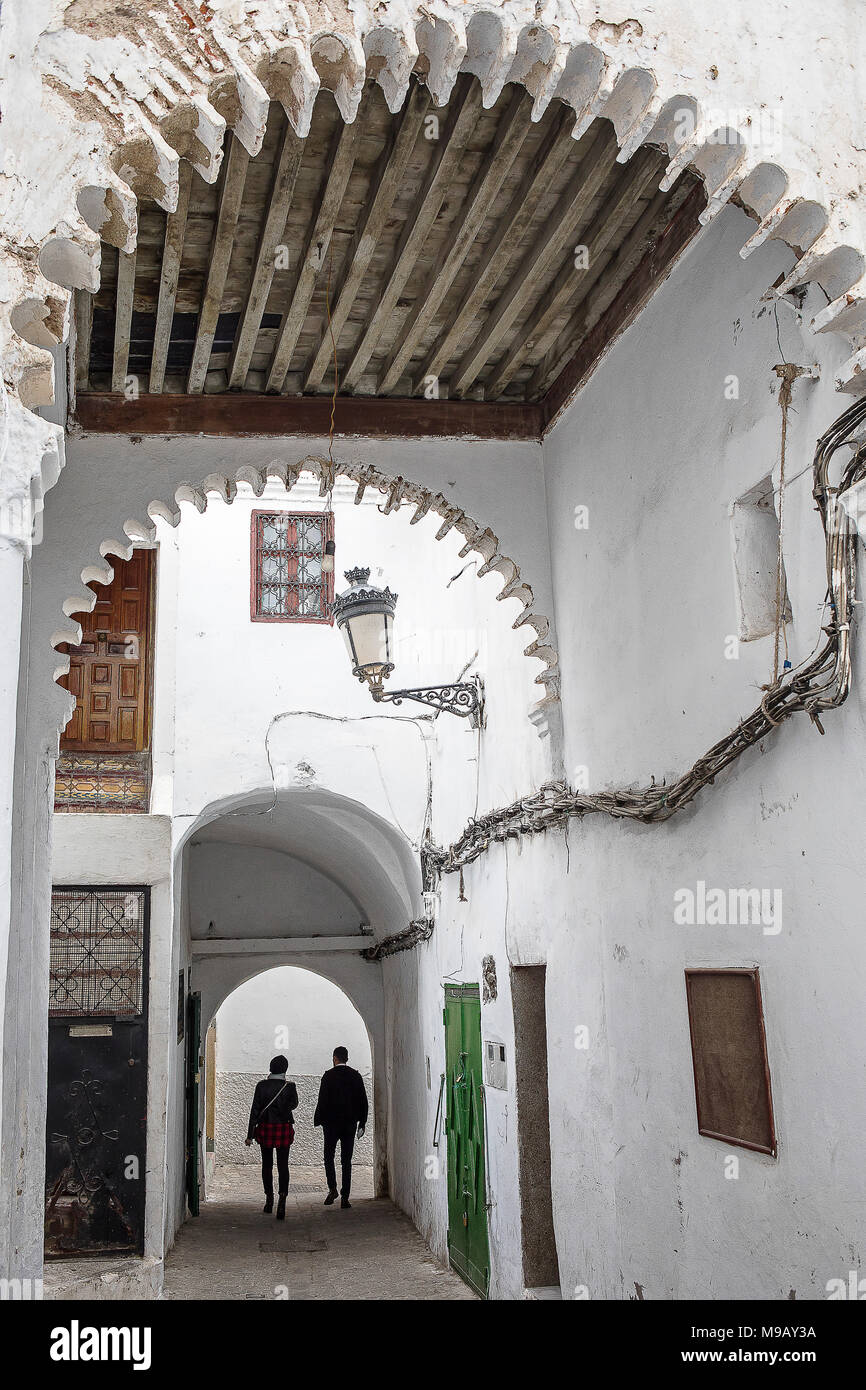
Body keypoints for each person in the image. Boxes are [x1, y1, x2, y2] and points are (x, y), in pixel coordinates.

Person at [313, 1046, 369, 1209]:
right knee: (346, 1160)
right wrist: (362, 1122)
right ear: (347, 1058)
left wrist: (319, 1119)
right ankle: (345, 1197)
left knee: (328, 1157)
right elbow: (363, 1101)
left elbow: (322, 1100)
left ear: (335, 1058)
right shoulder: (356, 1076)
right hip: (349, 1124)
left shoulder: (328, 1076)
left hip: (331, 1124)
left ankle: (332, 1188)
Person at [245, 1054, 299, 1220]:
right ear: (285, 1069)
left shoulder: (261, 1086)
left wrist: (250, 1135)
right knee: (283, 1165)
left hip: (266, 1128)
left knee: (266, 1165)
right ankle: (282, 1199)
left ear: (271, 1068)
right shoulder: (290, 1086)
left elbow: (254, 1110)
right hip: (283, 1127)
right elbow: (295, 1104)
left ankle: (269, 1199)